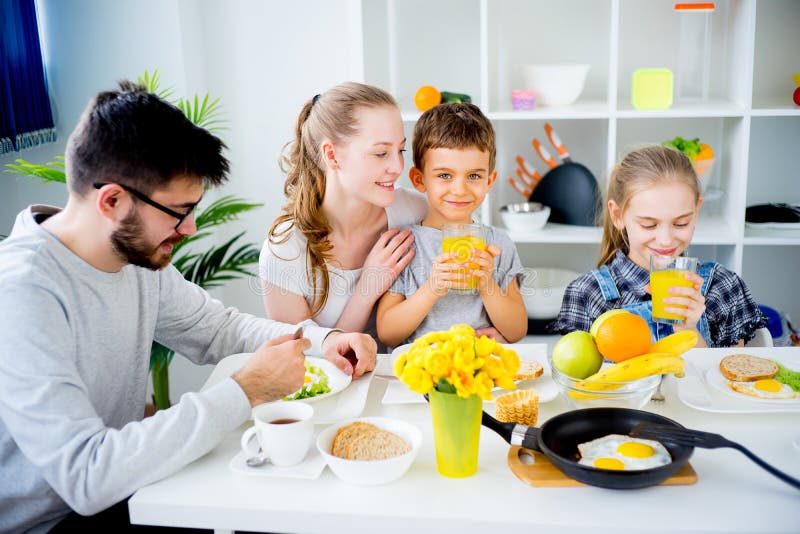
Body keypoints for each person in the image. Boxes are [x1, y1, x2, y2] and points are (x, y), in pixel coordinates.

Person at [0, 81, 376, 533]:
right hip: (53, 520)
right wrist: (245, 389)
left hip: (130, 487)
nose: (192, 228)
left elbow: (219, 329)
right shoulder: (21, 292)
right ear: (112, 200)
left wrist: (324, 340)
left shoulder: (134, 259)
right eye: (179, 211)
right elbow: (85, 475)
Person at [259, 82, 428, 346]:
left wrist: (491, 328)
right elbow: (303, 360)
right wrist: (367, 288)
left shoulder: (416, 211)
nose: (397, 166)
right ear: (332, 155)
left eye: (400, 150)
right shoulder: (285, 249)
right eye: (381, 153)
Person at [550, 144, 765, 347]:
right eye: (649, 224)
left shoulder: (723, 287)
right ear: (617, 215)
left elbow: (728, 382)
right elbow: (581, 381)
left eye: (681, 223)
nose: (665, 240)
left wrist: (688, 329)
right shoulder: (587, 294)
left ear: (697, 210)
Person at [376, 103, 528, 347]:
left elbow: (517, 330)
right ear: (419, 179)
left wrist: (487, 283)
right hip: (422, 372)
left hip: (480, 369)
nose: (459, 190)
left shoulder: (499, 245)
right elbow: (387, 333)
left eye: (474, 176)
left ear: (490, 181)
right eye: (444, 175)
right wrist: (432, 288)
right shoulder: (404, 246)